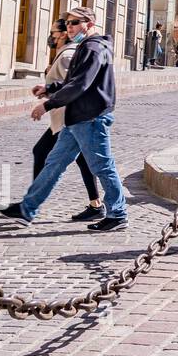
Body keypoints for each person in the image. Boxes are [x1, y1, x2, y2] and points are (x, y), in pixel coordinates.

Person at [0, 7, 128, 231]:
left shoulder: (93, 49)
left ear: (89, 24)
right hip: (77, 118)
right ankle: (27, 208)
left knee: (102, 166)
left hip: (91, 118)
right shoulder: (87, 47)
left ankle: (117, 214)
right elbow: (73, 80)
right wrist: (49, 88)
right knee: (53, 164)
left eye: (76, 23)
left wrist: (48, 104)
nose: (70, 27)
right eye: (68, 23)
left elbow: (80, 84)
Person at [28, 19, 104, 221]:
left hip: (68, 117)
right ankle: (96, 204)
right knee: (83, 160)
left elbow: (75, 84)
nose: (50, 37)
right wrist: (48, 90)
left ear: (62, 35)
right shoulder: (66, 53)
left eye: (53, 32)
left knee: (43, 152)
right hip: (66, 116)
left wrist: (49, 99)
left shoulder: (68, 55)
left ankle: (32, 203)